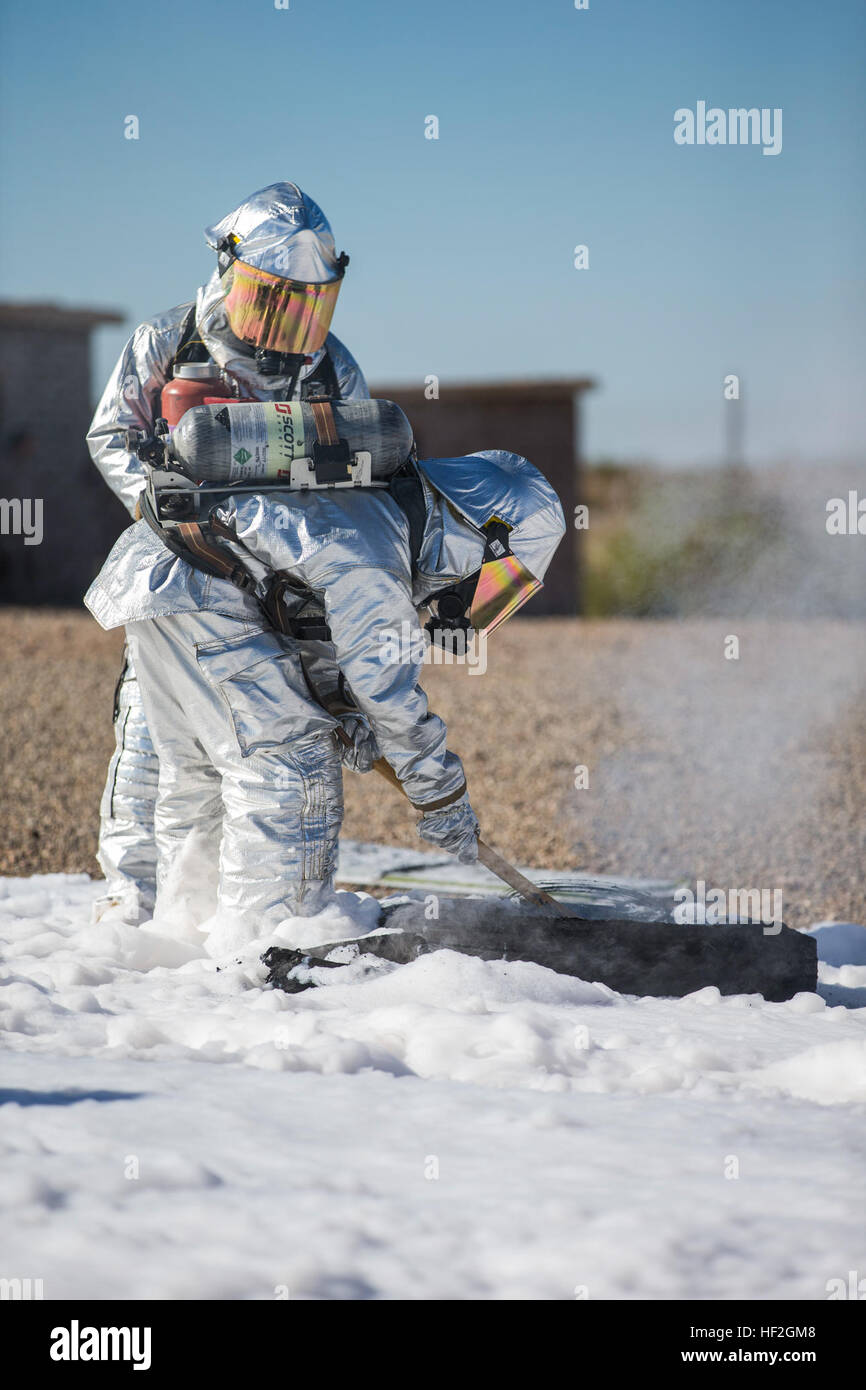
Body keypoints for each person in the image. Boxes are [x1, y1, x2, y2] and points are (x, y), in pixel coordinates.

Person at [84, 435, 565, 939]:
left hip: (160, 575)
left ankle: (183, 936)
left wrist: (346, 712)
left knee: (200, 775)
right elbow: (386, 688)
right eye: (499, 579)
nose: (480, 597)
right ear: (482, 534)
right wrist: (442, 797)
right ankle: (265, 952)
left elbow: (311, 624)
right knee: (292, 773)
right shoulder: (379, 546)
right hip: (202, 589)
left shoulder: (375, 509)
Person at [86, 183, 368, 924]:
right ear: (228, 272)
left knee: (242, 746)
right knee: (149, 733)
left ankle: (209, 912)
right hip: (177, 569)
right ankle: (131, 897)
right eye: (270, 299)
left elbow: (357, 489)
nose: (284, 325)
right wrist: (160, 500)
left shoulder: (332, 373)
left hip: (273, 584)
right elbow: (111, 435)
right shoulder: (166, 341)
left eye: (304, 307)